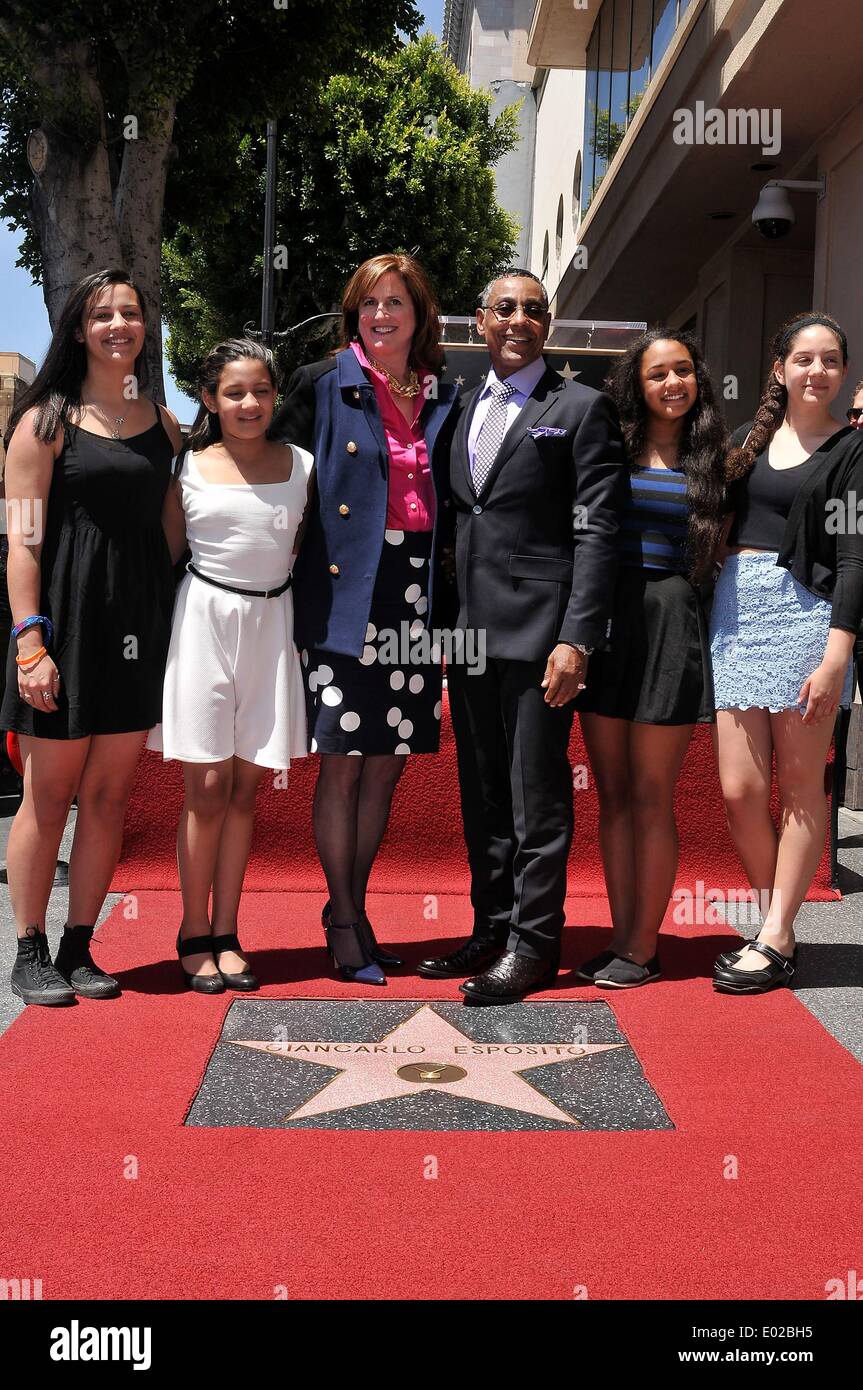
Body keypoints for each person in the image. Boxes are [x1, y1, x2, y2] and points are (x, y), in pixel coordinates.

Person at [418, 268, 626, 1004]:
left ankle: (534, 946)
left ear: (549, 323)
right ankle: (490, 927)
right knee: (481, 795)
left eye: (532, 310)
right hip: (467, 637)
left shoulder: (580, 408)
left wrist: (578, 638)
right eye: (503, 308)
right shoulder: (455, 405)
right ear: (479, 320)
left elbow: (599, 532)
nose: (517, 320)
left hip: (544, 640)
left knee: (536, 798)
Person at [273, 253, 460, 986]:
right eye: (369, 304)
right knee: (344, 765)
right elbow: (268, 470)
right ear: (353, 314)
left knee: (386, 769)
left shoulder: (445, 393)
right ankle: (345, 916)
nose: (381, 316)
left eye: (396, 304)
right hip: (346, 591)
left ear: (420, 316)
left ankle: (352, 907)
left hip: (415, 592)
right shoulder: (322, 383)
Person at [1, 268, 182, 1005]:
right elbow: (21, 543)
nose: (118, 325)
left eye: (130, 314)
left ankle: (80, 947)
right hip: (61, 630)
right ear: (78, 329)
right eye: (102, 315)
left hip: (135, 634)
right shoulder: (43, 422)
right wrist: (29, 643)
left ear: (145, 329)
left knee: (109, 797)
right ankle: (29, 949)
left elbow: (172, 541)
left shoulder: (166, 426)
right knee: (48, 797)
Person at [148, 339, 313, 993]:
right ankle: (192, 930)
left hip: (273, 627)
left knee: (246, 790)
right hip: (203, 624)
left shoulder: (304, 464)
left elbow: (306, 548)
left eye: (261, 391)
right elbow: (166, 553)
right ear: (211, 400)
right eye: (234, 392)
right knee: (207, 787)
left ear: (275, 397)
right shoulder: (185, 465)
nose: (249, 403)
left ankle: (228, 932)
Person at [710, 313, 863, 995]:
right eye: (803, 359)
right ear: (779, 368)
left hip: (809, 621)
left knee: (800, 791)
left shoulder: (852, 451)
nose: (817, 371)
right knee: (739, 790)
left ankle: (772, 934)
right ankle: (778, 922)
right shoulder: (747, 439)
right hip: (736, 615)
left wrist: (835, 657)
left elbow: (856, 557)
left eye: (830, 360)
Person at [574, 330, 727, 988]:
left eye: (682, 371)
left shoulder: (718, 461)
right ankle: (619, 937)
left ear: (697, 380)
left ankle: (642, 947)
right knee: (610, 797)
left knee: (649, 796)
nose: (671, 383)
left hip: (670, 626)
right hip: (606, 623)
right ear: (635, 385)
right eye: (657, 373)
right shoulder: (606, 450)